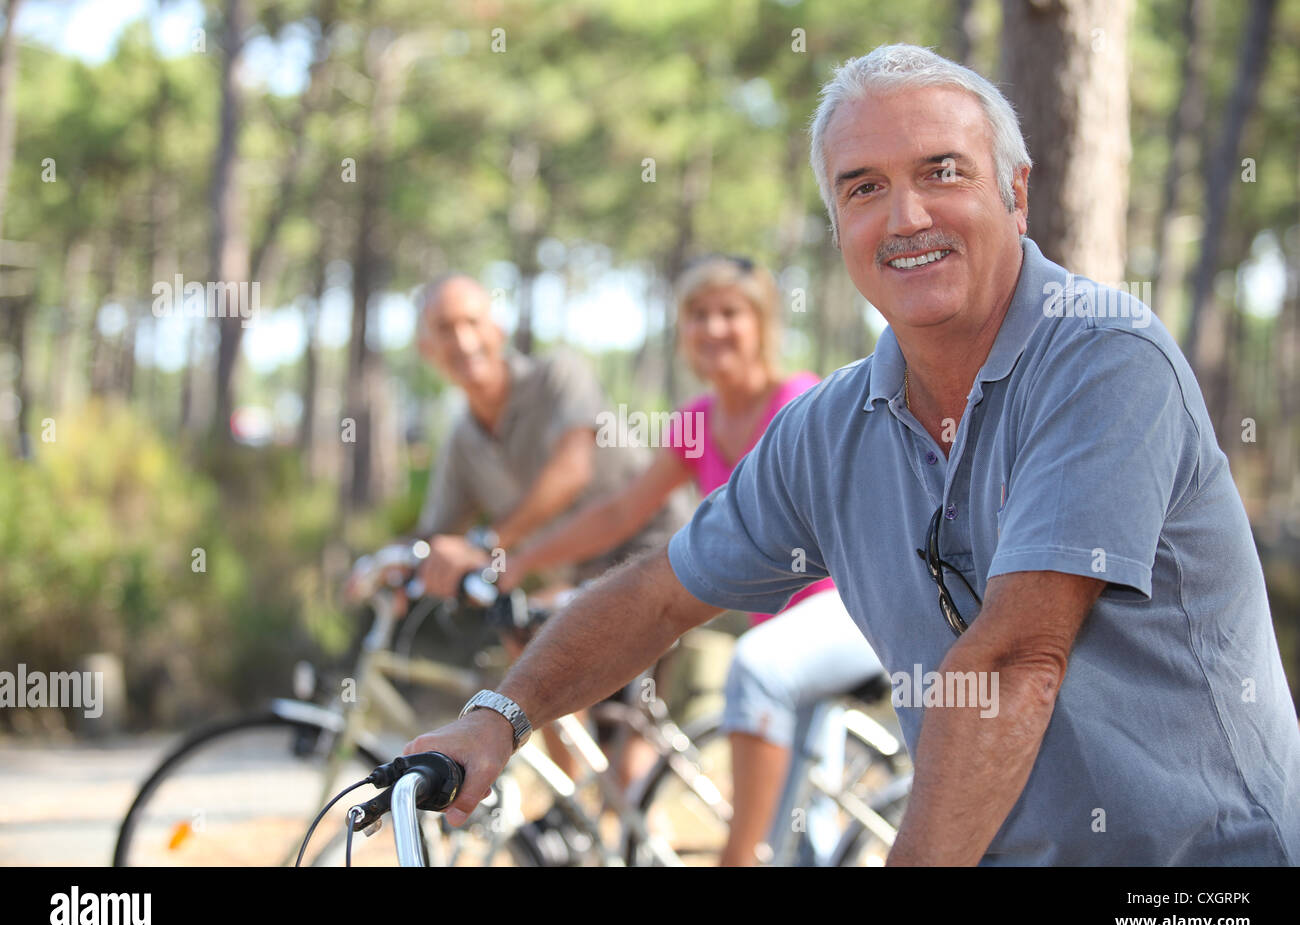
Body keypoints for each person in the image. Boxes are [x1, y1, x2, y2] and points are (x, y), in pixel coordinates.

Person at [404, 45, 1300, 865]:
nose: (906, 216)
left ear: (1016, 193)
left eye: (942, 172)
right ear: (837, 225)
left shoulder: (1103, 356)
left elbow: (1012, 664)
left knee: (761, 668)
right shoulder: (820, 425)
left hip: (1208, 879)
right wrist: (497, 718)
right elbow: (660, 589)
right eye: (863, 188)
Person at [495, 255, 884, 865]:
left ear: (762, 325)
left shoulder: (797, 400)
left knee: (754, 671)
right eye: (698, 316)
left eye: (730, 313)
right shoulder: (698, 421)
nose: (713, 328)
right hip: (787, 637)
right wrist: (516, 559)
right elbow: (620, 514)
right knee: (806, 841)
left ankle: (736, 861)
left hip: (856, 608)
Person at [402, 274, 687, 782]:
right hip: (580, 573)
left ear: (498, 327)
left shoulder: (559, 374)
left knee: (626, 738)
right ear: (427, 349)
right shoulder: (462, 441)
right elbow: (435, 536)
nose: (463, 340)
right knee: (525, 644)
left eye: (472, 322)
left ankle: (627, 820)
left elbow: (570, 471)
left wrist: (488, 544)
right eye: (446, 329)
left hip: (655, 547)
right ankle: (576, 807)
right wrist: (397, 567)